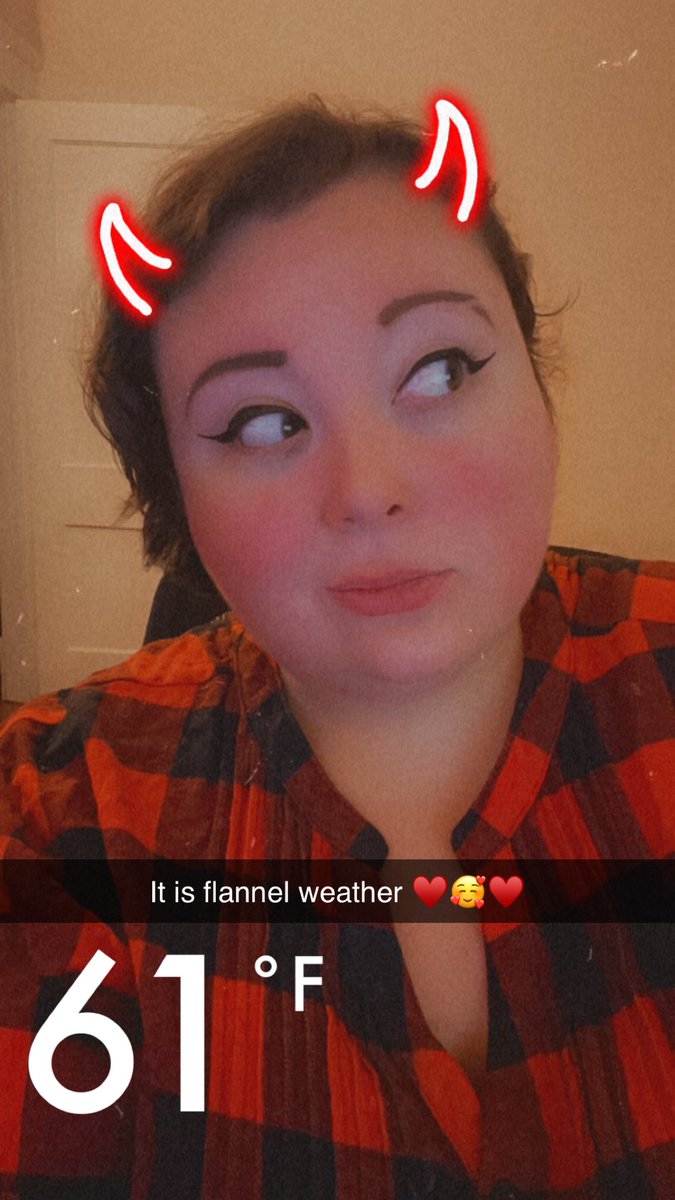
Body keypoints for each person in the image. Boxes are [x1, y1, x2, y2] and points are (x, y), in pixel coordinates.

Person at [0, 97, 673, 1199]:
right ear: (176, 497)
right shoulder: (58, 812)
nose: (368, 490)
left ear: (536, 382)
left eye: (440, 369)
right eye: (263, 422)